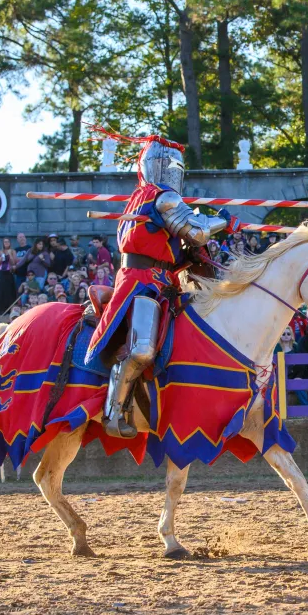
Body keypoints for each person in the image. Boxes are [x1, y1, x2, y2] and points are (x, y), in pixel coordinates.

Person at [86, 132, 240, 439]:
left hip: (163, 281)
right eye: (167, 168)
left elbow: (171, 251)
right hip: (140, 283)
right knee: (142, 350)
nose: (172, 175)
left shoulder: (146, 199)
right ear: (153, 167)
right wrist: (224, 221)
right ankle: (114, 413)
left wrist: (188, 254)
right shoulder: (163, 197)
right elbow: (197, 230)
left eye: (175, 170)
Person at [0, 237, 18, 315]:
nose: (6, 243)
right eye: (5, 242)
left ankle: (10, 310)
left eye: (8, 242)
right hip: (1, 272)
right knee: (1, 291)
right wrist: (0, 260)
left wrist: (10, 255)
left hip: (9, 272)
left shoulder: (13, 251)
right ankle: (0, 310)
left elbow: (14, 263)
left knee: (10, 292)